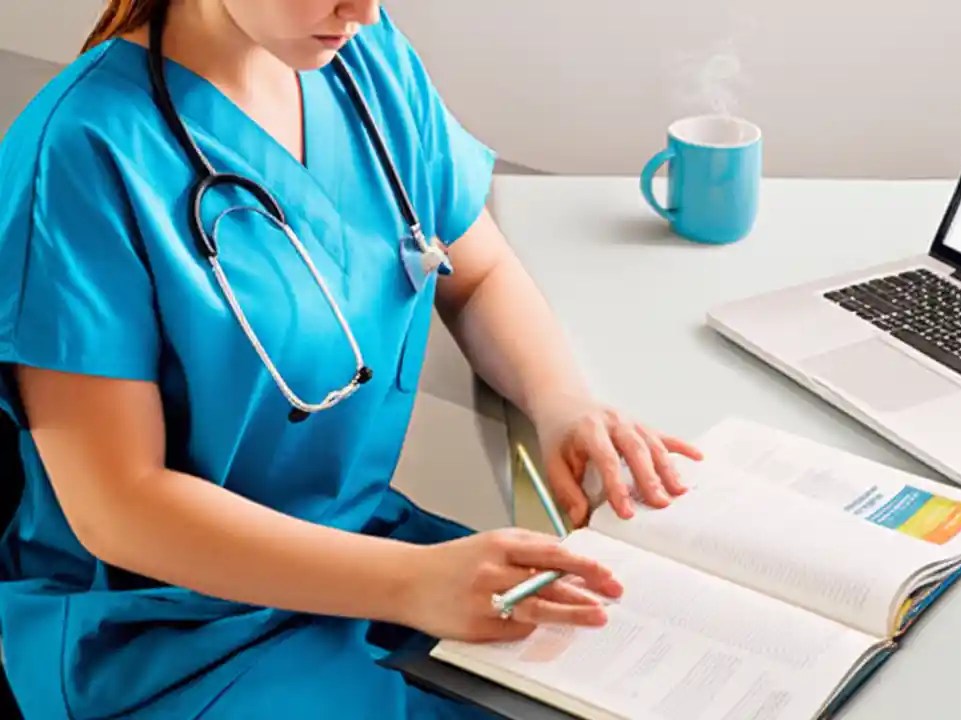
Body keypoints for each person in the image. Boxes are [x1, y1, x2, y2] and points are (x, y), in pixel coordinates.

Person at [0, 1, 702, 717]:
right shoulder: (80, 153)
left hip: (367, 552)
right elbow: (120, 507)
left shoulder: (363, 64)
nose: (362, 10)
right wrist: (408, 582)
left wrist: (559, 401)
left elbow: (477, 272)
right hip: (167, 632)